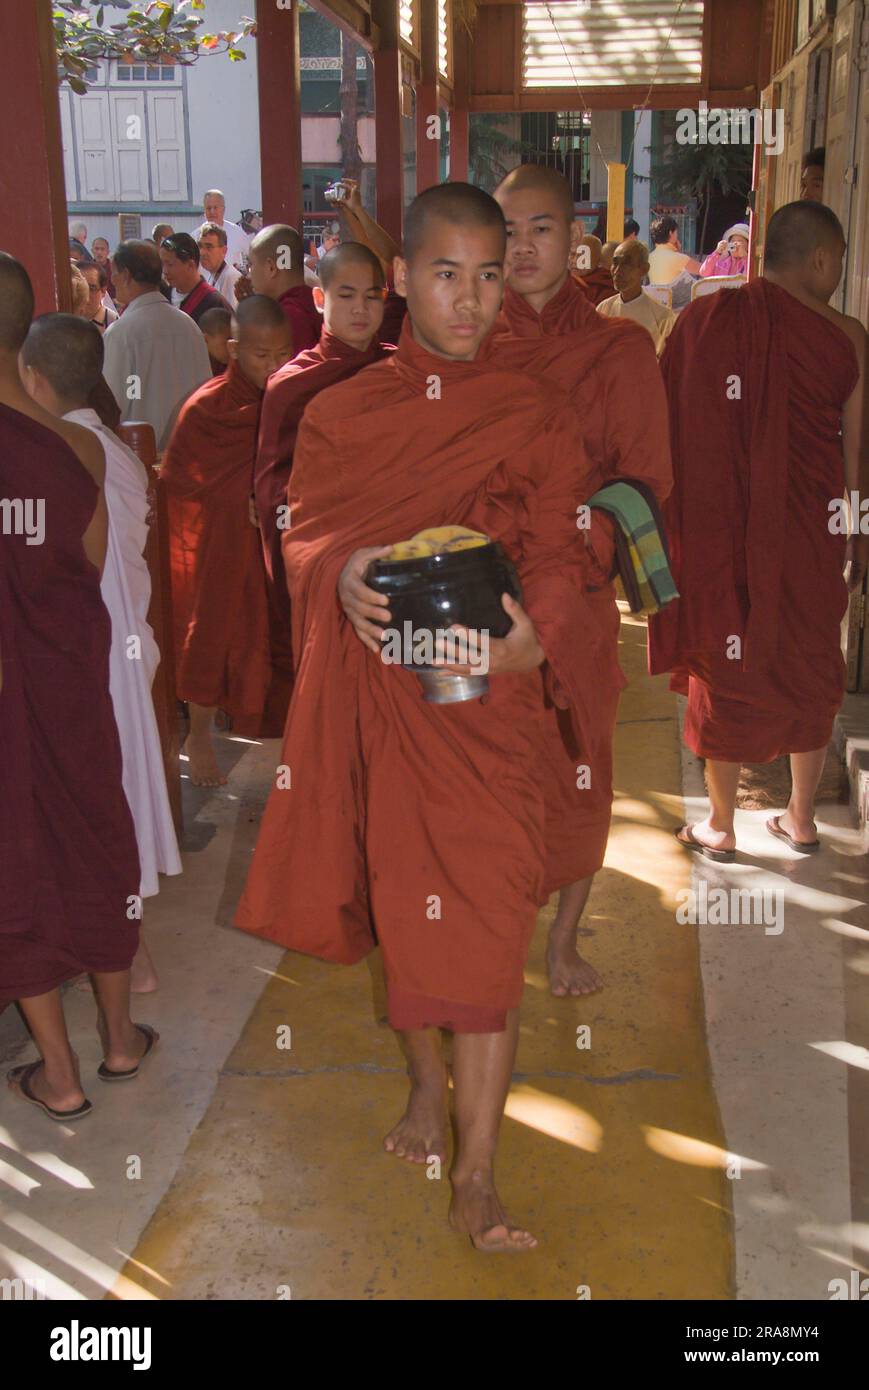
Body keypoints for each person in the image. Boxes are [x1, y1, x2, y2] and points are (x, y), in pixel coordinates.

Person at [236, 183, 599, 1251]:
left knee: (484, 926)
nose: (472, 300)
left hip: (489, 701)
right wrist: (337, 564)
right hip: (391, 700)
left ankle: (478, 1170)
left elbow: (562, 545)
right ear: (400, 280)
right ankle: (421, 1086)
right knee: (412, 917)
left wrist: (539, 626)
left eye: (490, 276)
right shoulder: (343, 411)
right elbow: (303, 536)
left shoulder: (532, 408)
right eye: (446, 273)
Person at [491, 163, 672, 997]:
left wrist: (565, 569)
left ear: (573, 239)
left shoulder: (615, 347)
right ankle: (480, 926)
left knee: (577, 763)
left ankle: (563, 938)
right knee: (481, 771)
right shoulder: (460, 337)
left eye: (540, 228)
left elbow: (643, 479)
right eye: (508, 230)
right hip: (477, 592)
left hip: (575, 595)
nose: (522, 246)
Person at [650, 201, 866, 860]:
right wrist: (856, 539)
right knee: (809, 659)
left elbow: (669, 432)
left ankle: (719, 825)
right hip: (810, 533)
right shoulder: (848, 337)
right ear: (822, 261)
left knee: (725, 658)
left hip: (721, 537)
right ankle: (799, 817)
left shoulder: (703, 321)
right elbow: (854, 459)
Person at [0, 255, 155, 1120]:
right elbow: (86, 567)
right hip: (66, 681)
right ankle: (122, 1040)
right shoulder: (75, 446)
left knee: (11, 861)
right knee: (94, 837)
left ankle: (57, 1075)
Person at [20, 313, 183, 993]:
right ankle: (124, 944)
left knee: (101, 795)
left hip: (94, 644)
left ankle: (127, 951)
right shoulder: (108, 444)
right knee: (118, 788)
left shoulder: (65, 448)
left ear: (32, 378)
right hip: (122, 642)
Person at [161, 296, 295, 786]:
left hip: (278, 551)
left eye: (284, 353)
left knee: (278, 640)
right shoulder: (208, 408)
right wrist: (236, 498)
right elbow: (179, 482)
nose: (276, 365)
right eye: (262, 355)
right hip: (224, 547)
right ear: (234, 349)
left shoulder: (298, 400)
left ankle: (278, 734)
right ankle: (198, 732)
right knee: (211, 635)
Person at [254, 241, 390, 660]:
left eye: (372, 297)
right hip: (325, 564)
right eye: (346, 296)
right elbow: (274, 495)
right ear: (319, 298)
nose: (360, 310)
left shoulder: (401, 373)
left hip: (396, 558)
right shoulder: (292, 384)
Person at [104, 239, 211, 450]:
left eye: (114, 273)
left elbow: (115, 405)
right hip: (188, 452)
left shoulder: (121, 333)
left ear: (125, 275)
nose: (112, 281)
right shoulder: (189, 326)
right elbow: (206, 392)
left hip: (141, 457)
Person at [247, 223, 321, 353]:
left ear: (271, 268)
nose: (248, 274)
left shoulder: (287, 320)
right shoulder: (315, 303)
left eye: (251, 264)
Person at [597, 239, 677, 357]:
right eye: (615, 262)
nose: (618, 271)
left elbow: (665, 364)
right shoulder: (603, 309)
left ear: (644, 269)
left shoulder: (662, 317)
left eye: (627, 264)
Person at [159, 233, 230, 324]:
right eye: (162, 264)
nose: (165, 271)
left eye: (170, 264)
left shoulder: (214, 304)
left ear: (190, 265)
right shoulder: (162, 297)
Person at [647, 215, 701, 311]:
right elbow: (704, 270)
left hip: (656, 308)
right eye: (676, 232)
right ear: (670, 233)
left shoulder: (649, 257)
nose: (677, 235)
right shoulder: (679, 258)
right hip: (675, 311)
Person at [196, 189, 250, 268]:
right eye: (208, 208)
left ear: (223, 209)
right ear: (204, 210)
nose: (212, 211)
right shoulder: (196, 236)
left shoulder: (237, 232)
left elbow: (253, 255)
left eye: (215, 207)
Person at [198, 222, 243, 307]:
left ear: (224, 251)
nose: (202, 252)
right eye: (200, 246)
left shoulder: (231, 277)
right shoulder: (211, 276)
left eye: (209, 247)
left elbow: (233, 318)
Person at [571, 233, 614, 306]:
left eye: (583, 256)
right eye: (572, 254)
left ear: (598, 260)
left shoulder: (607, 286)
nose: (575, 261)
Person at [81, 261, 119, 332]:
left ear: (103, 290)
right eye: (79, 288)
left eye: (91, 289)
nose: (84, 294)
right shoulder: (65, 320)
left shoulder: (115, 324)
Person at [199, 305, 232, 374]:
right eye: (227, 342)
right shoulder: (193, 366)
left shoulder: (234, 367)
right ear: (205, 340)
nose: (232, 347)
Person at [91, 236, 116, 302]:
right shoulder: (88, 269)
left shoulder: (114, 268)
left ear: (108, 252)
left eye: (102, 249)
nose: (99, 252)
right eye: (96, 249)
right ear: (92, 251)